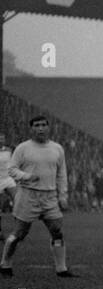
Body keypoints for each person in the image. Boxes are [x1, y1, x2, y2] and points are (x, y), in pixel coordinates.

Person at [1, 115, 76, 278]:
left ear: (48, 128)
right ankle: (5, 264)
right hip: (28, 195)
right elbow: (11, 170)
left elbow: (62, 174)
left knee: (57, 231)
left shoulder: (57, 148)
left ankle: (61, 268)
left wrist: (63, 195)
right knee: (19, 233)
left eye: (43, 125)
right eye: (37, 125)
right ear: (31, 129)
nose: (40, 128)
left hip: (49, 197)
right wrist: (27, 176)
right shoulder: (23, 148)